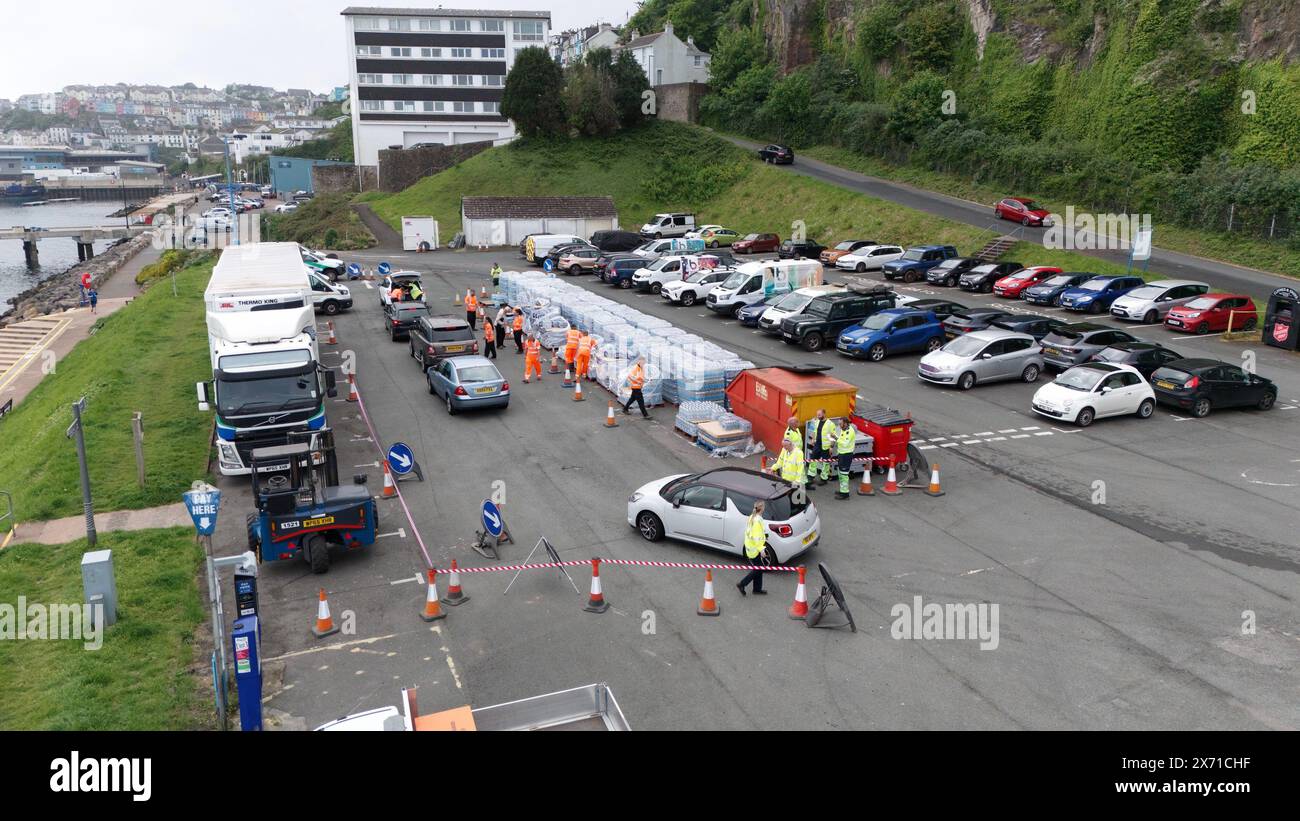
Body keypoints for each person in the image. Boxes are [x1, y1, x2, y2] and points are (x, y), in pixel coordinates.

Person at [736, 500, 768, 596]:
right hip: (755, 548)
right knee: (758, 569)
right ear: (761, 508)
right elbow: (757, 537)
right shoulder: (757, 520)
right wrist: (762, 550)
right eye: (764, 507)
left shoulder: (752, 517)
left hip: (750, 546)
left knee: (759, 568)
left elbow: (754, 533)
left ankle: (757, 589)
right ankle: (742, 584)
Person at [810, 410, 837, 487]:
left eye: (819, 415)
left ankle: (824, 479)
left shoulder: (830, 424)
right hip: (817, 445)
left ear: (824, 414)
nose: (818, 416)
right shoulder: (817, 422)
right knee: (813, 460)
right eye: (817, 415)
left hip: (826, 447)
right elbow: (814, 431)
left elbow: (833, 436)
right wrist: (812, 439)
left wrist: (831, 447)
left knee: (826, 463)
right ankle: (811, 476)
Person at [835, 418, 857, 500]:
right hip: (841, 454)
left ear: (846, 424)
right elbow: (842, 439)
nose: (839, 426)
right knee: (840, 474)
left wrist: (836, 439)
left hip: (846, 455)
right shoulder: (844, 430)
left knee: (844, 475)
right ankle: (842, 490)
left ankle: (845, 493)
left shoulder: (850, 431)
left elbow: (845, 443)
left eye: (841, 424)